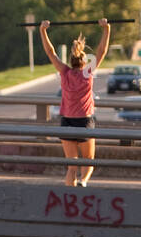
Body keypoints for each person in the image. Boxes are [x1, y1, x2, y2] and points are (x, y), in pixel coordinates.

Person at [39, 17, 111, 187]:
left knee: (72, 166)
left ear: (70, 60)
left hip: (67, 120)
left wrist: (42, 31)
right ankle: (83, 181)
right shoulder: (87, 73)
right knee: (89, 160)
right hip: (84, 121)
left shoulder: (64, 72)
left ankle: (69, 192)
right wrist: (106, 29)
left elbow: (50, 52)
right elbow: (101, 51)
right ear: (84, 61)